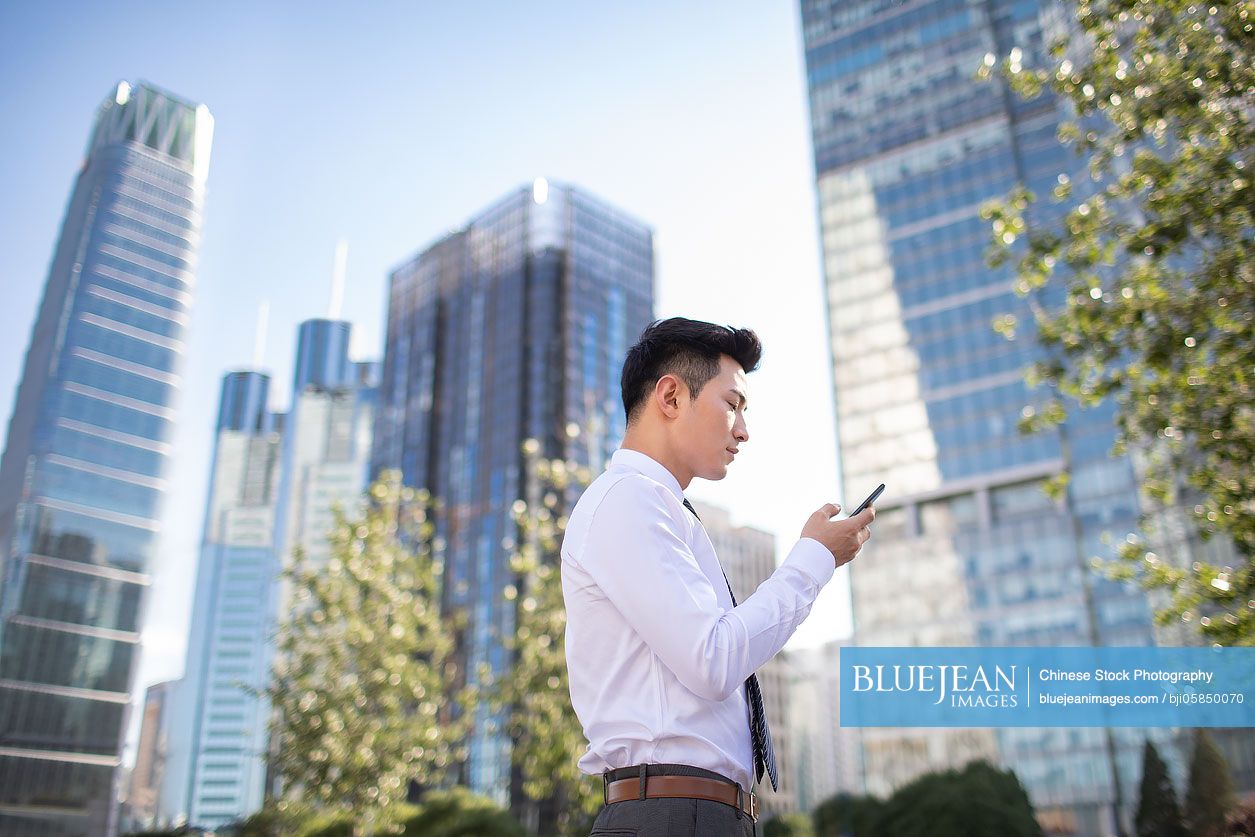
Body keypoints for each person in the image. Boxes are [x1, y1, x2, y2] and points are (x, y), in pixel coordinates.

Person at [561, 317, 875, 837]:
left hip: (696, 811)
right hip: (669, 813)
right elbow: (713, 658)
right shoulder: (627, 500)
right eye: (732, 404)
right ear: (670, 397)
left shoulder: (665, 510)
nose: (743, 429)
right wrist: (813, 560)